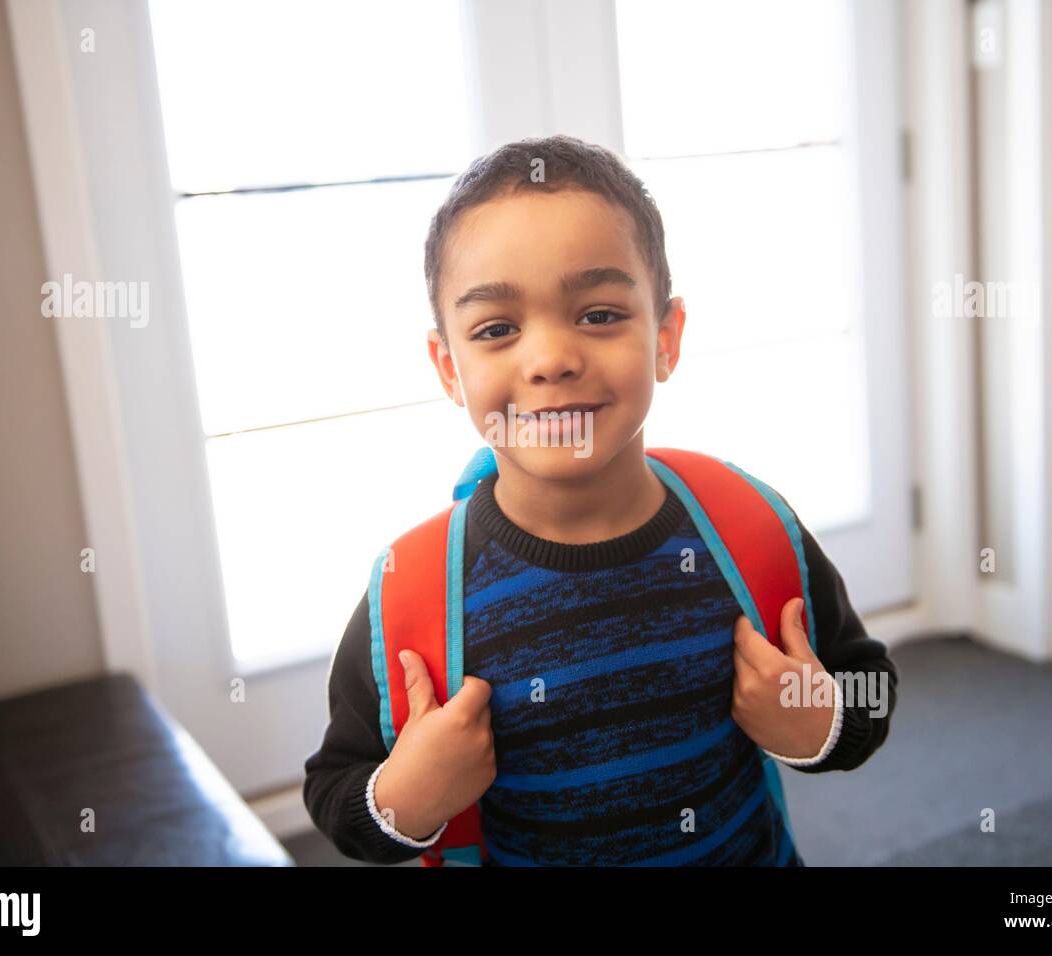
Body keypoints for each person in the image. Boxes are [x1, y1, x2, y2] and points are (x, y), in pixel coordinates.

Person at [303, 134, 898, 866]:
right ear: (448, 367)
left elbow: (870, 684)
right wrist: (408, 796)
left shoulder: (747, 524)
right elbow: (333, 790)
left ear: (666, 339)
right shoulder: (411, 589)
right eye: (497, 329)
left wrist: (820, 725)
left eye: (599, 315)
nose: (551, 359)